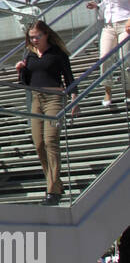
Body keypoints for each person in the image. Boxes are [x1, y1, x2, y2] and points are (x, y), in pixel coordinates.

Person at [15, 19, 75, 205]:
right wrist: (21, 70)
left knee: (51, 141)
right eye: (31, 37)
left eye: (37, 36)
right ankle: (56, 184)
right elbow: (25, 82)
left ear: (46, 34)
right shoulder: (30, 55)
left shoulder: (57, 53)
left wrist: (74, 100)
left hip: (54, 98)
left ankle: (52, 191)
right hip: (36, 100)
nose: (34, 40)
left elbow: (69, 77)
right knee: (39, 144)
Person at [86, 0, 130, 108]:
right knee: (104, 58)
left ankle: (128, 91)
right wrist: (96, 6)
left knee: (125, 58)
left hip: (125, 24)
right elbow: (105, 6)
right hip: (109, 26)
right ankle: (108, 91)